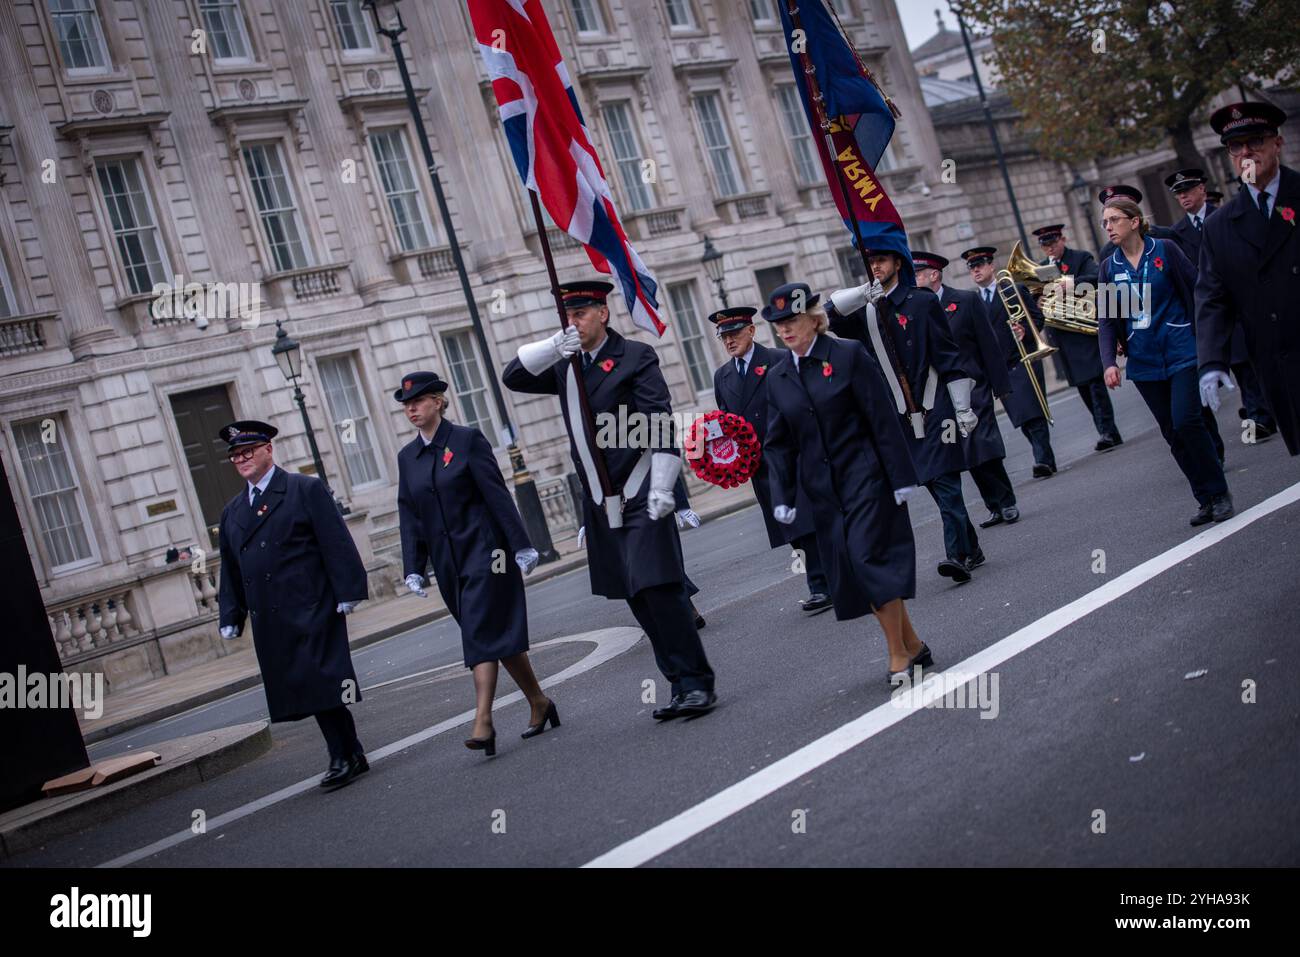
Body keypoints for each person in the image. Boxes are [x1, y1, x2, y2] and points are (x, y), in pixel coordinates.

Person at [503, 280, 717, 719]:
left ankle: (697, 682)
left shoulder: (635, 357)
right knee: (636, 594)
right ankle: (678, 684)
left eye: (580, 314)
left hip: (639, 489)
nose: (573, 322)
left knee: (660, 588)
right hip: (602, 502)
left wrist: (663, 487)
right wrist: (551, 345)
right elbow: (514, 376)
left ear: (602, 312)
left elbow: (658, 419)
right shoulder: (566, 367)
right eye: (567, 315)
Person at [761, 284, 932, 684]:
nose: (785, 330)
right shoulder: (779, 375)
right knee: (857, 571)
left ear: (813, 319)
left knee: (868, 558)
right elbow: (778, 442)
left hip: (866, 477)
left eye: (792, 321)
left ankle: (896, 656)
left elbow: (882, 417)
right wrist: (782, 495)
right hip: (823, 492)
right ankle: (914, 645)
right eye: (779, 324)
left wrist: (902, 476)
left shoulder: (847, 355)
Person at [394, 372, 553, 758]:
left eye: (418, 401)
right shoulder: (407, 457)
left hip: (488, 555)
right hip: (449, 565)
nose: (411, 409)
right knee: (494, 636)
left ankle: (483, 720)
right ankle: (539, 701)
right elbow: (410, 514)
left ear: (438, 402)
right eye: (406, 405)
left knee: (479, 634)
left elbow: (495, 494)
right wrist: (414, 566)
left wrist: (521, 544)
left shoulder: (466, 441)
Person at [216, 420, 370, 791]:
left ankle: (341, 756)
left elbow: (335, 540)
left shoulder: (304, 489)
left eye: (248, 451)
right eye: (236, 455)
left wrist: (348, 591)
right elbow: (231, 567)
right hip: (271, 616)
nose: (242, 459)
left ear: (269, 449)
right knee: (306, 684)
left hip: (312, 604)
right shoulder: (232, 510)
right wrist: (230, 614)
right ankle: (352, 753)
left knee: (322, 680)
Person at [827, 257, 985, 584]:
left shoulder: (922, 301)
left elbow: (947, 354)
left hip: (934, 404)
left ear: (897, 262)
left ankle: (956, 556)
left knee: (944, 480)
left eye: (881, 260)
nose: (875, 267)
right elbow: (830, 316)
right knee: (934, 484)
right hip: (897, 413)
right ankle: (972, 546)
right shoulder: (865, 310)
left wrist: (962, 406)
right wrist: (861, 294)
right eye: (869, 262)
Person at [1098, 197, 1234, 523]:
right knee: (1172, 432)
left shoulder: (1164, 250)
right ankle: (1203, 498)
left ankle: (1219, 492)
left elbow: (1198, 290)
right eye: (1105, 222)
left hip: (1182, 349)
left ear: (1134, 222)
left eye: (1115, 219)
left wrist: (1208, 341)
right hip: (1144, 362)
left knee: (1187, 420)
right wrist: (1109, 363)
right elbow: (1108, 320)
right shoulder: (1110, 267)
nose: (1109, 227)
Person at [709, 305, 832, 613]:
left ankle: (821, 585)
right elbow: (726, 421)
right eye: (724, 336)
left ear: (751, 331)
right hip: (758, 466)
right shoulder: (723, 375)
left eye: (734, 333)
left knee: (806, 523)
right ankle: (826, 579)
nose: (729, 341)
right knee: (788, 530)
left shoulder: (778, 360)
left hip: (791, 456)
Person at [1197, 100, 1298, 455]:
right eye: (1235, 147)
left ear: (1277, 143)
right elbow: (1213, 297)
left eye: (1255, 141)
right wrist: (1211, 360)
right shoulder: (1219, 226)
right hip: (1280, 364)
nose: (1246, 153)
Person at [913, 250, 1020, 529]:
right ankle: (993, 506)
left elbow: (988, 345)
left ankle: (1006, 501)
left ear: (934, 275)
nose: (913, 279)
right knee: (966, 452)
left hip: (974, 385)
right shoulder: (916, 310)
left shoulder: (965, 300)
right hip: (942, 392)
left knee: (982, 443)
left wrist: (1001, 385)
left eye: (917, 274)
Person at [1166, 168, 1271, 445]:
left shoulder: (1224, 218)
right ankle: (1257, 419)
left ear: (1202, 189)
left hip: (1242, 301)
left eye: (1188, 189)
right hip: (1212, 310)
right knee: (1242, 369)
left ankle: (1261, 414)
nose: (1183, 196)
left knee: (1254, 366)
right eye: (1178, 193)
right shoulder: (1177, 233)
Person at [963, 246, 1058, 479]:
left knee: (1033, 412)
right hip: (1000, 369)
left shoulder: (1013, 289)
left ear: (991, 266)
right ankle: (1046, 457)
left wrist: (1025, 329)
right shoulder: (971, 301)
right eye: (972, 268)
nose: (976, 270)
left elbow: (1037, 318)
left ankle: (1042, 460)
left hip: (1023, 359)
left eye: (980, 265)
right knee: (1022, 417)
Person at [1034, 224, 1123, 452]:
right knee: (1084, 387)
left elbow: (1096, 277)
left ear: (1062, 239)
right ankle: (1109, 432)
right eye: (1045, 245)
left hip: (1084, 333)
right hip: (1064, 336)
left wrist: (1072, 282)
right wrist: (1040, 303)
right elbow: (1038, 298)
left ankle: (1105, 431)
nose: (1050, 249)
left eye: (1053, 243)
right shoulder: (1042, 269)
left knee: (1095, 383)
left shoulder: (1080, 257)